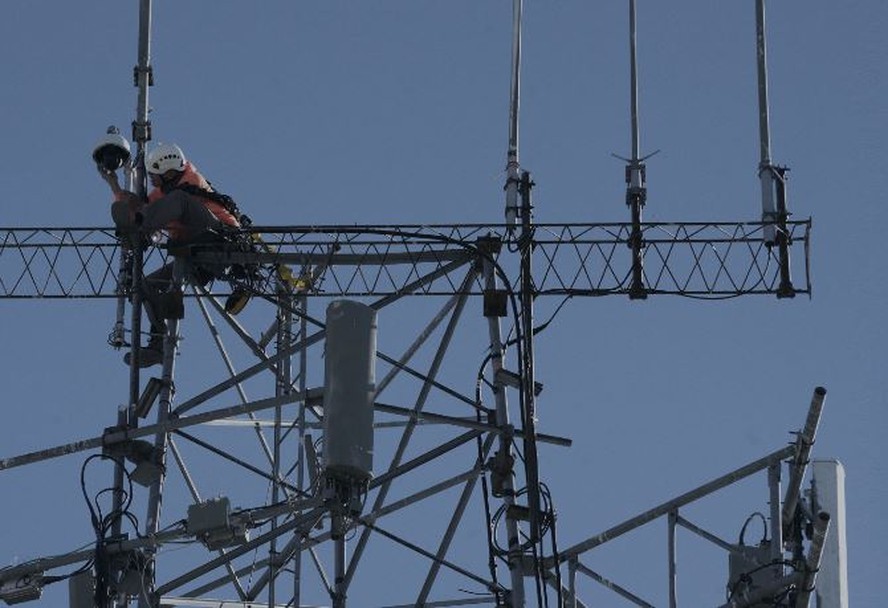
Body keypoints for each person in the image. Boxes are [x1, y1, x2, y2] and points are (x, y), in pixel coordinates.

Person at [99, 143, 250, 367]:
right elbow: (143, 207)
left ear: (168, 171)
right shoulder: (167, 191)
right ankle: (159, 346)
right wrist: (114, 185)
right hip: (196, 257)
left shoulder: (191, 183)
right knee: (145, 285)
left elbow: (153, 210)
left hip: (220, 243)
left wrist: (140, 223)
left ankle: (138, 233)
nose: (151, 179)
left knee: (176, 201)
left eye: (154, 175)